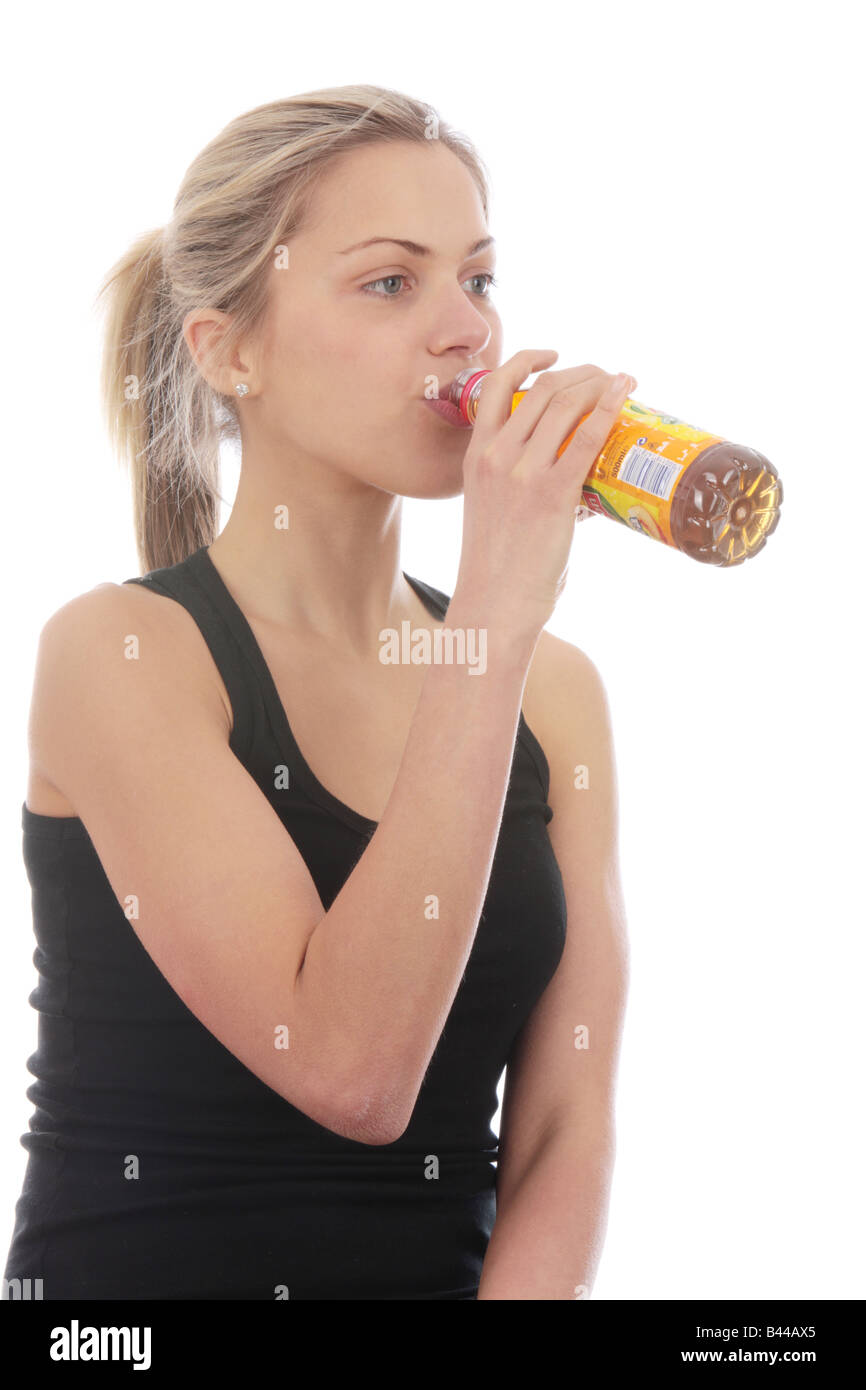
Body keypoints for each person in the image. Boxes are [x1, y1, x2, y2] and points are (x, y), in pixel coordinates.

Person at [2, 84, 630, 1301]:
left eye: (480, 280)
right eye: (390, 283)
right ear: (229, 350)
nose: (468, 334)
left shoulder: (554, 696)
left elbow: (566, 1121)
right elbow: (351, 1070)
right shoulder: (120, 654)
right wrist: (493, 622)